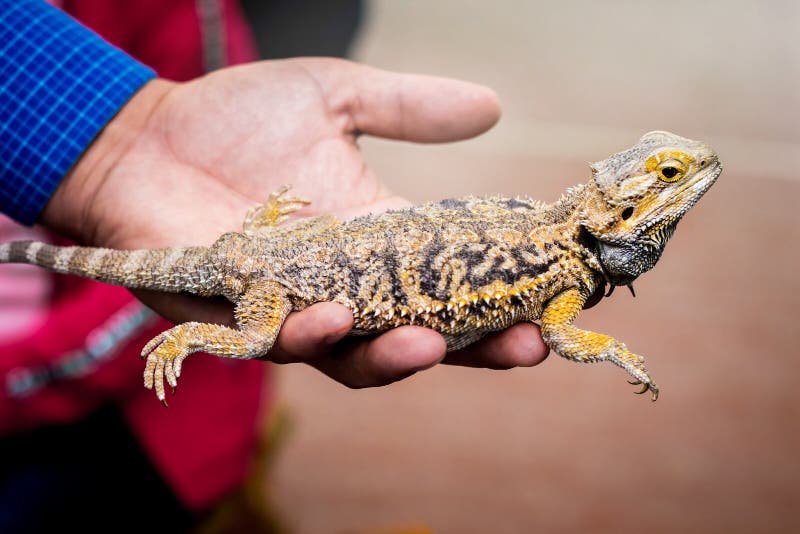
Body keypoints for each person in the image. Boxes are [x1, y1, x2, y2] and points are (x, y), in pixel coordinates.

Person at [0, 0, 549, 529]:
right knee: (257, 337)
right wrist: (186, 334)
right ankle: (186, 337)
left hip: (193, 338)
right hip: (246, 271)